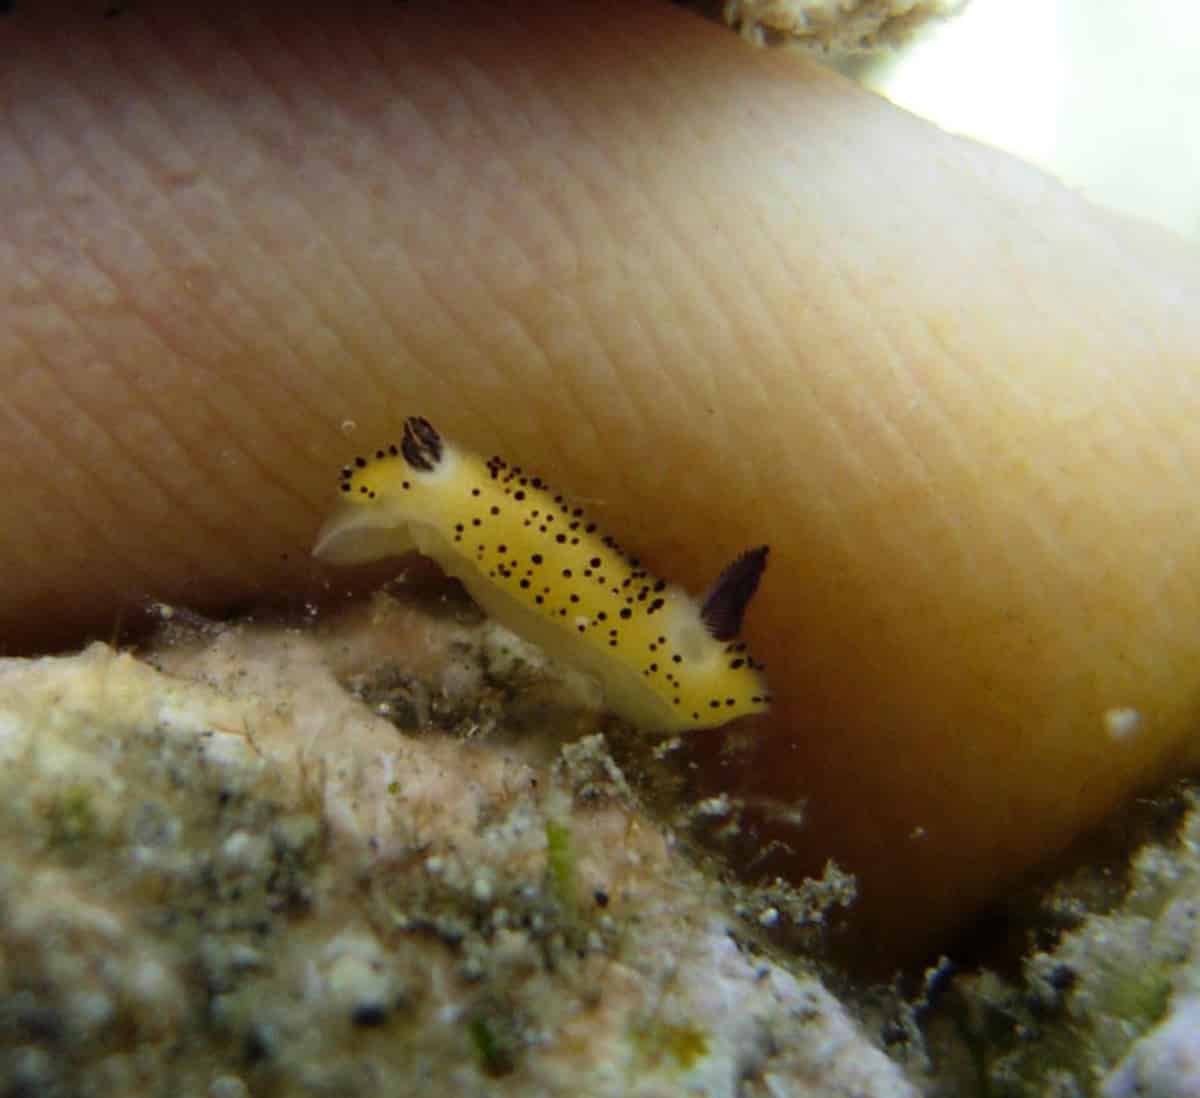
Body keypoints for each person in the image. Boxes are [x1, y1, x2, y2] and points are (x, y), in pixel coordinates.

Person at [4, 0, 1199, 955]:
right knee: (508, 525)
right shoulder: (481, 510)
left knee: (581, 577)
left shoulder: (591, 589)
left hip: (615, 611)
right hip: (520, 541)